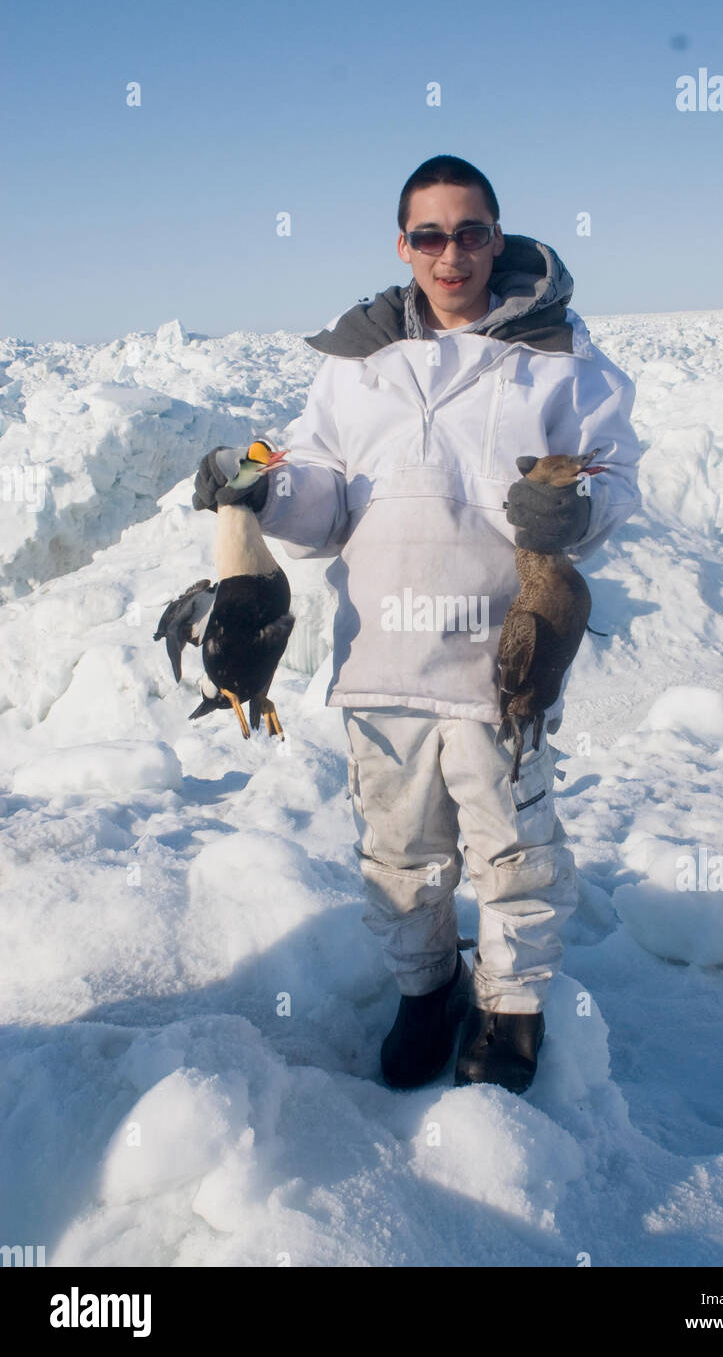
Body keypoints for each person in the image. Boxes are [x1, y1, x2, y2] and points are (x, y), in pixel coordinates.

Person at [193, 154, 642, 1094]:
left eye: (470, 233)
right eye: (430, 235)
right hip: (381, 654)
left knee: (512, 848)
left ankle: (511, 1008)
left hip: (498, 660)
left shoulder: (559, 359)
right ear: (404, 245)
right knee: (399, 851)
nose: (452, 254)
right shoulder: (357, 369)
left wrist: (579, 514)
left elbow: (609, 478)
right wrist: (265, 491)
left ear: (497, 238)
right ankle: (424, 991)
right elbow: (321, 496)